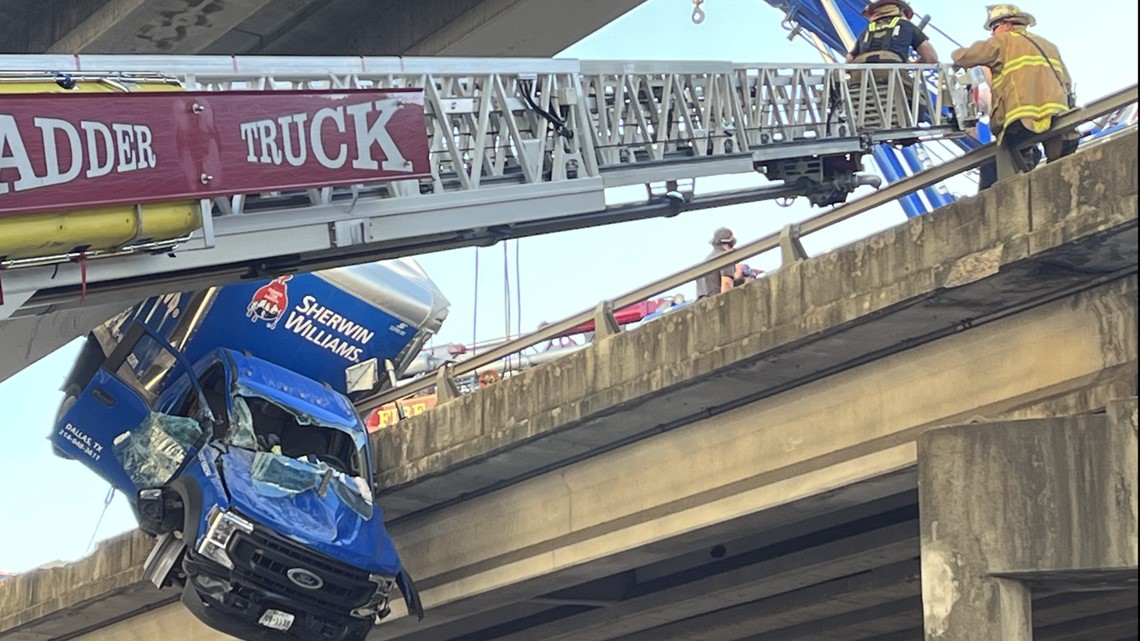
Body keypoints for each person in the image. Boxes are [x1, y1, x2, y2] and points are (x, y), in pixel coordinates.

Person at [952, 4, 1080, 190]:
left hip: (1019, 119)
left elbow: (963, 57)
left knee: (997, 165)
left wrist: (958, 56)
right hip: (1055, 116)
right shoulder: (1049, 46)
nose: (992, 33)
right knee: (1056, 171)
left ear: (1007, 24)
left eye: (994, 27)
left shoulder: (1001, 42)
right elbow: (1066, 83)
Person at [846, 0, 939, 64]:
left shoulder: (867, 30)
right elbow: (931, 57)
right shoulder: (906, 25)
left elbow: (850, 58)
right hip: (892, 76)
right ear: (901, 10)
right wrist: (913, 65)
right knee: (912, 91)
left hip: (860, 76)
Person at [696, 228, 744, 298]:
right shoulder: (725, 257)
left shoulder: (707, 260)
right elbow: (726, 284)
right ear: (730, 243)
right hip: (716, 303)